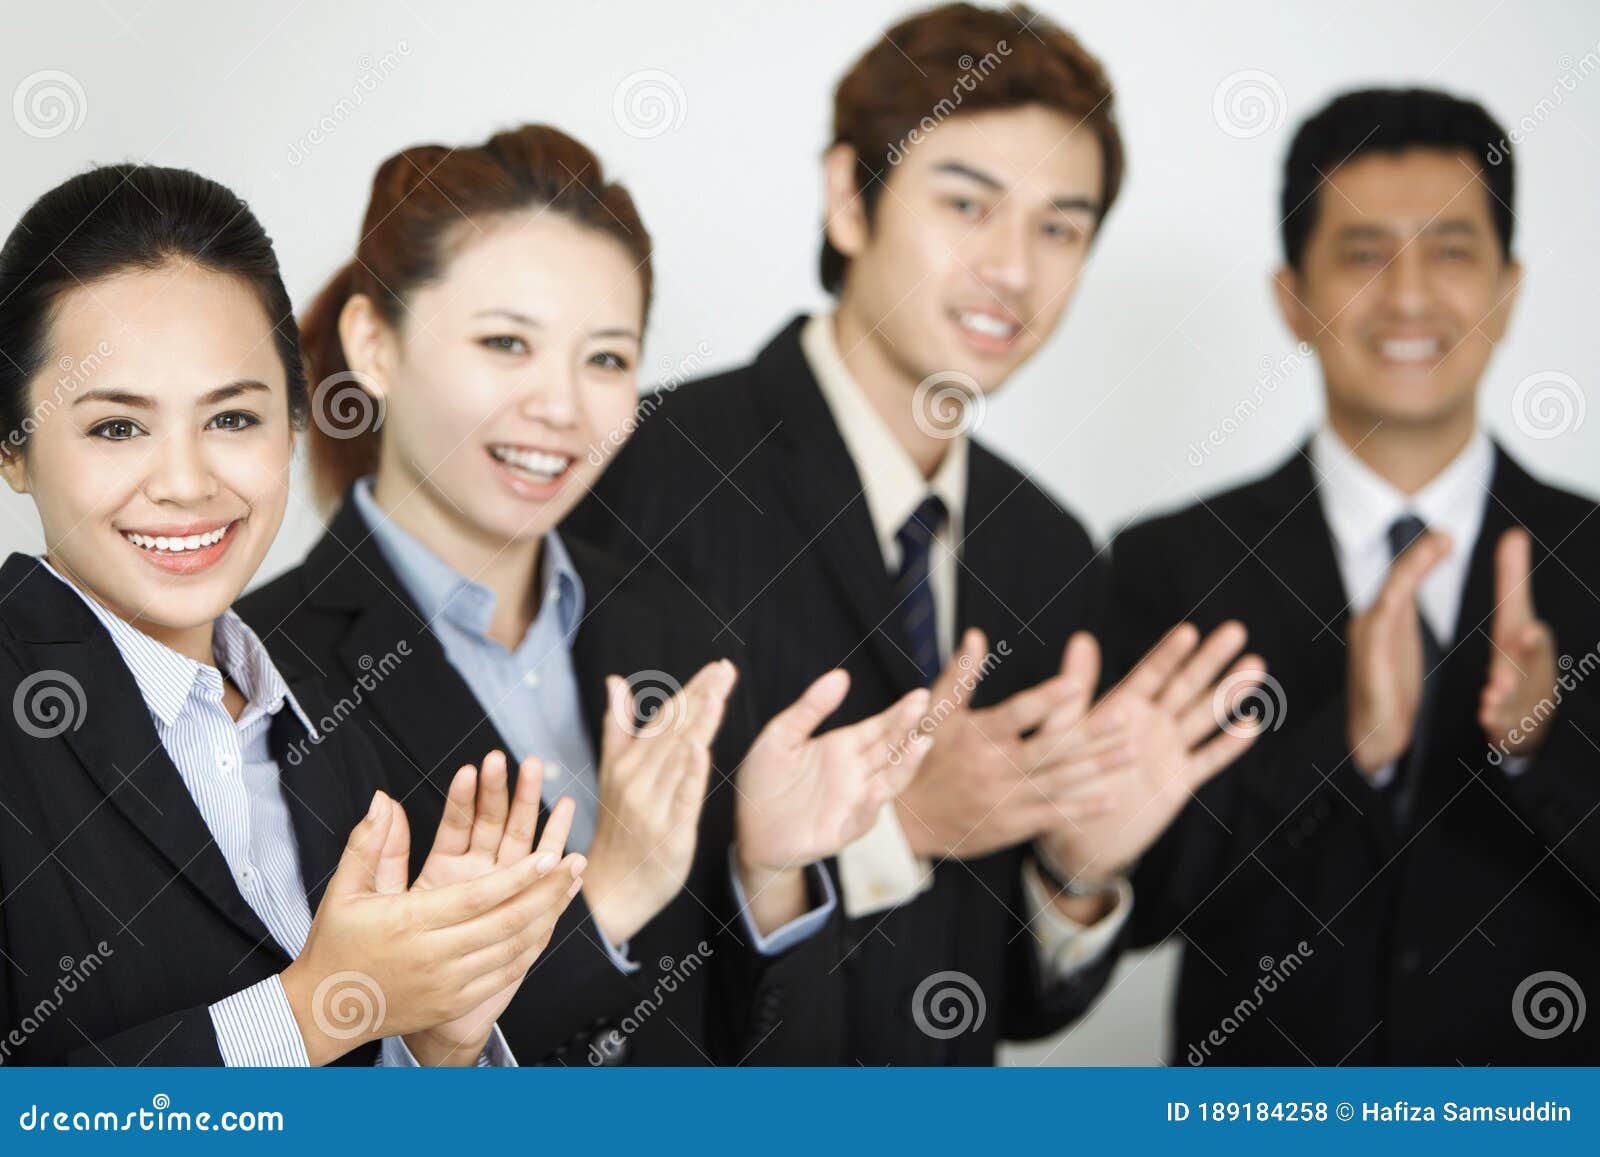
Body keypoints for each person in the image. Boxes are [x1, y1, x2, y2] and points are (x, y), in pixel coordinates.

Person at [568, 2, 1267, 1064]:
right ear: (850, 198)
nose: (1013, 270)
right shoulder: (647, 470)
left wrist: (1074, 875)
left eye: (1059, 227)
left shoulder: (1050, 550)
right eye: (966, 203)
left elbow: (1009, 1000)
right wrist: (897, 831)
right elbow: (583, 935)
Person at [238, 123, 932, 1065]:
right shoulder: (259, 672)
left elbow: (764, 1058)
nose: (561, 407)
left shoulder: (679, 626)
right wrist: (609, 896)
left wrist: (768, 871)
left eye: (605, 358)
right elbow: (307, 1076)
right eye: (506, 342)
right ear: (375, 343)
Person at [0, 163, 584, 1066]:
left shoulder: (317, 725)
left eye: (233, 419)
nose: (188, 482)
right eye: (118, 427)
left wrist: (437, 1041)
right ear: (14, 449)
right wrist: (316, 1010)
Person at [1113, 87, 1600, 1064]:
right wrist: (1345, 741)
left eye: (1451, 251)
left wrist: (1534, 750)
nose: (1409, 296)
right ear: (1291, 297)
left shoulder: (1589, 557)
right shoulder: (1170, 563)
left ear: (1505, 292)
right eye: (1363, 253)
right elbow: (1131, 898)